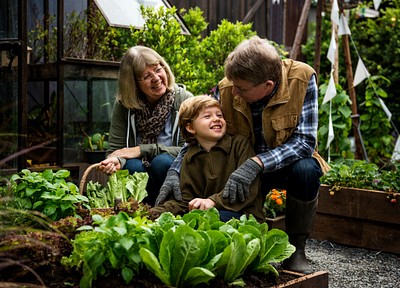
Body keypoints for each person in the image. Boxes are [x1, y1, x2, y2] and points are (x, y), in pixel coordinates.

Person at [156, 36, 330, 274]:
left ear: (267, 85)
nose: (234, 92)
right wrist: (175, 169)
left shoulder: (301, 79)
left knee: (307, 170)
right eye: (233, 84)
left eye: (242, 89)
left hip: (283, 164)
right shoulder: (228, 85)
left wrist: (257, 163)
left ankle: (296, 248)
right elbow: (199, 133)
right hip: (238, 167)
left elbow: (304, 143)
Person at [98, 46, 193, 206]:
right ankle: (140, 211)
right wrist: (115, 160)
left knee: (161, 162)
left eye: (158, 69)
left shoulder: (184, 99)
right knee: (133, 166)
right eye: (146, 76)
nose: (156, 78)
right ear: (134, 84)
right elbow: (116, 149)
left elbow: (190, 148)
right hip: (141, 175)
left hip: (174, 171)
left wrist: (141, 150)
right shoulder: (124, 105)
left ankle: (170, 207)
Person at [151, 96, 265, 223]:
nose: (216, 119)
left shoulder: (239, 145)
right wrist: (156, 212)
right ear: (190, 128)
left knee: (208, 220)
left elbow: (247, 192)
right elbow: (185, 199)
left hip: (244, 215)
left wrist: (212, 202)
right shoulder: (190, 156)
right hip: (208, 214)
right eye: (207, 116)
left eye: (219, 115)